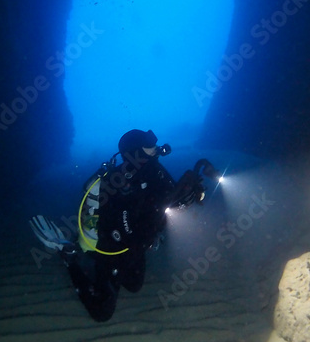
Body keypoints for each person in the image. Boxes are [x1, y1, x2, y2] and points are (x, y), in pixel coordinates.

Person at [31, 129, 212, 322]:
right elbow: (128, 229)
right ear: (136, 153)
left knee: (134, 285)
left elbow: (170, 196)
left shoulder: (155, 170)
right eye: (149, 146)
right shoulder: (118, 183)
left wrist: (187, 195)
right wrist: (153, 221)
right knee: (102, 313)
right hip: (110, 247)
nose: (156, 149)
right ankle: (69, 257)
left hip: (136, 243)